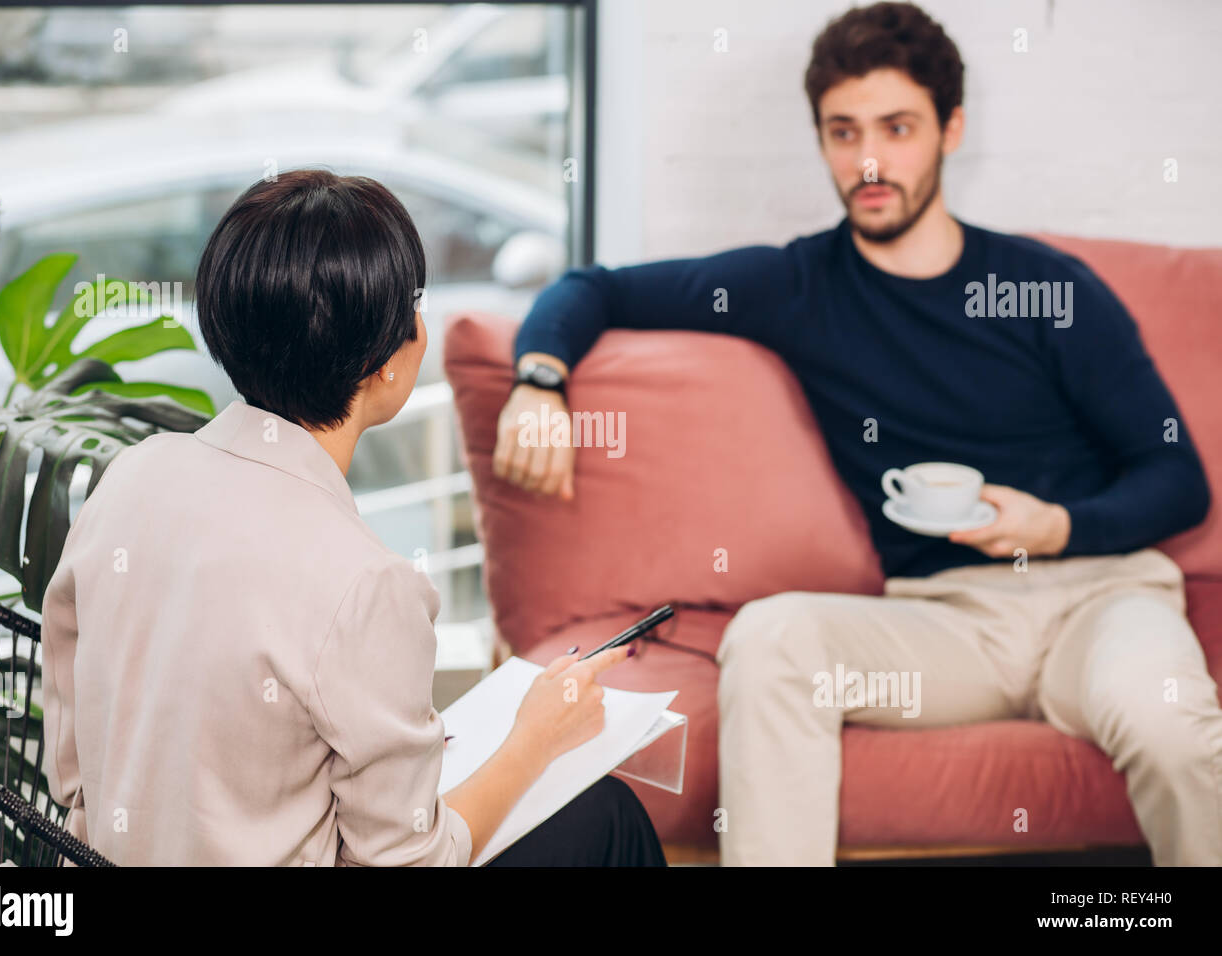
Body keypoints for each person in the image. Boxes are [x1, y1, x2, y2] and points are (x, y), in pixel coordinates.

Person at [493, 1, 1220, 866]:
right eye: (844, 132)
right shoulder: (796, 286)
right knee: (770, 637)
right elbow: (594, 287)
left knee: (1174, 727)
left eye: (897, 127)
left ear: (950, 130)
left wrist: (1056, 526)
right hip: (946, 626)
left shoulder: (1048, 287)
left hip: (1103, 600)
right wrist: (539, 380)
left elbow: (1177, 478)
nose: (869, 159)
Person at [40, 168, 666, 867]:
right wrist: (535, 740)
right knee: (609, 817)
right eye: (415, 307)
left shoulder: (131, 476)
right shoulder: (366, 582)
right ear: (384, 363)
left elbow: (69, 768)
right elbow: (412, 861)